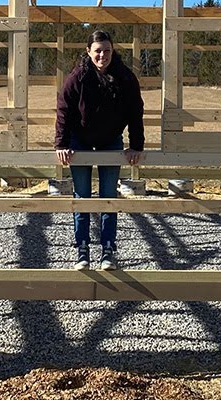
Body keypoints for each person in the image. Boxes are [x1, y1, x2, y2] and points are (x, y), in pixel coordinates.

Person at [54, 29, 145, 271]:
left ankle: (108, 251)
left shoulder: (125, 78)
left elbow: (136, 111)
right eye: (97, 51)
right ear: (88, 52)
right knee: (81, 197)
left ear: (113, 51)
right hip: (80, 141)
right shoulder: (77, 78)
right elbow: (64, 110)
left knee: (108, 197)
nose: (102, 55)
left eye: (107, 50)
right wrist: (62, 144)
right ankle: (82, 250)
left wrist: (136, 145)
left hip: (110, 140)